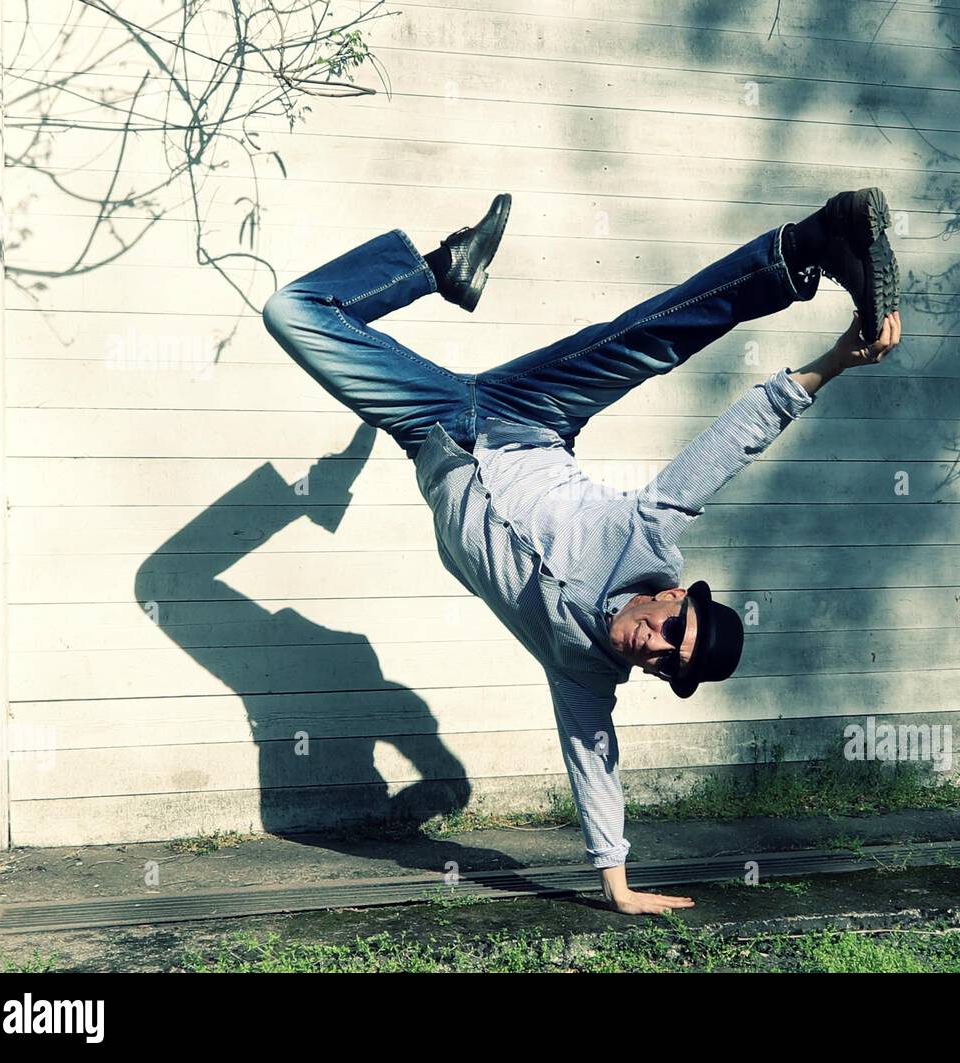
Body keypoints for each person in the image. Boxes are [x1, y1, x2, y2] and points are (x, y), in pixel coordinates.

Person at [262, 190, 901, 915]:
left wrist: (618, 885)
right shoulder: (650, 534)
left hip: (434, 430)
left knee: (296, 313)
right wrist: (836, 362)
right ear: (673, 594)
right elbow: (734, 439)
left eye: (667, 664)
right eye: (671, 631)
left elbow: (595, 765)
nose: (654, 646)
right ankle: (812, 243)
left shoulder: (582, 671)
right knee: (645, 340)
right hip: (530, 414)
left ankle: (445, 266)